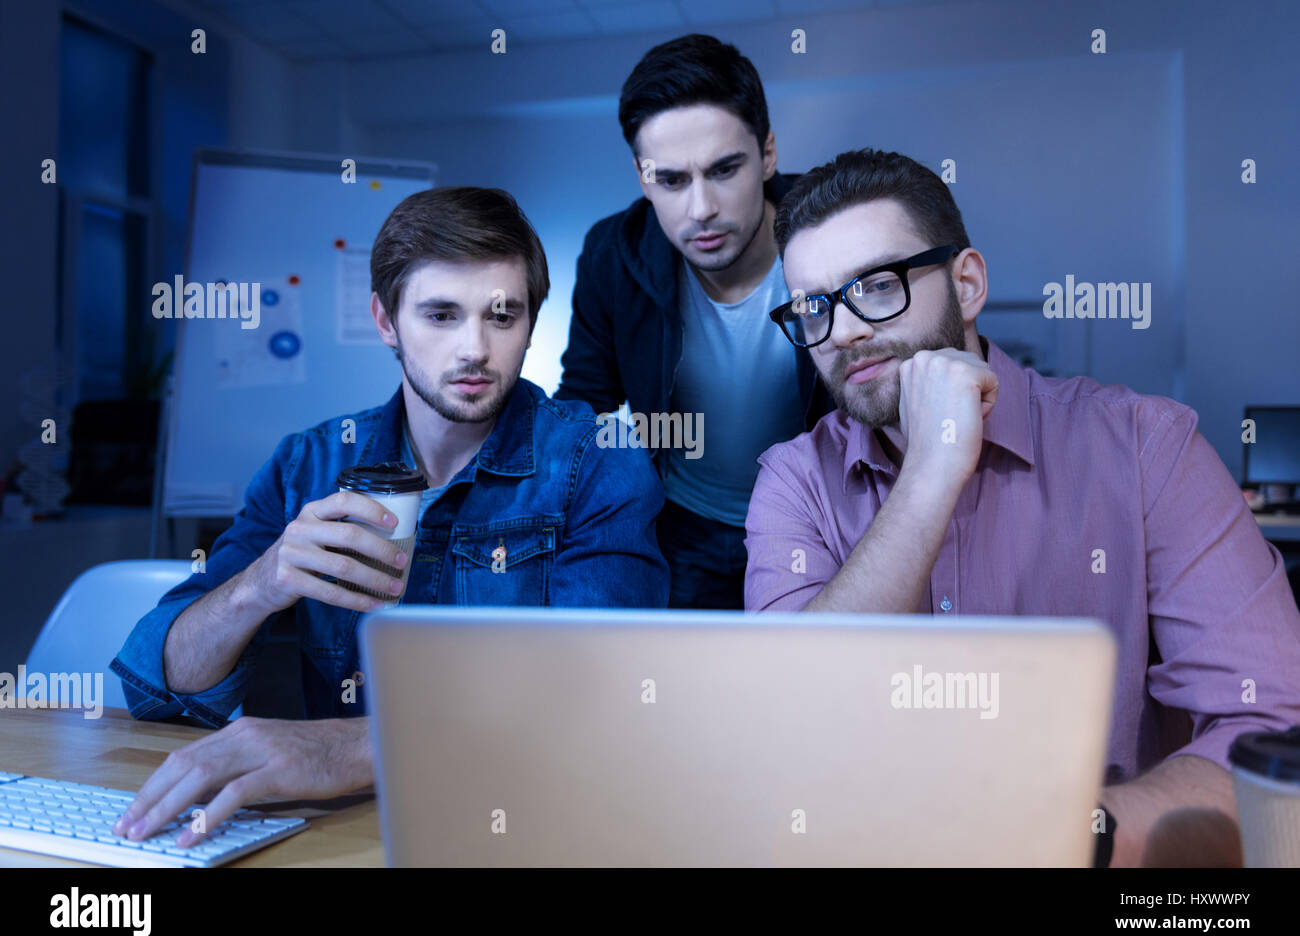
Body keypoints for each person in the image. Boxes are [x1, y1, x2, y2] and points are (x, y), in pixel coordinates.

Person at [745, 147, 1300, 866]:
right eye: (814, 307)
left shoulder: (1147, 446)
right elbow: (789, 733)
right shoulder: (793, 480)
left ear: (966, 283)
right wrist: (931, 470)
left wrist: (1067, 838)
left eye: (876, 287)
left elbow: (1273, 729)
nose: (842, 331)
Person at [110, 186, 668, 846]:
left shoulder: (596, 461)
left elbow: (605, 699)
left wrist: (344, 751)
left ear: (529, 322)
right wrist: (260, 584)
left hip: (530, 828)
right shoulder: (306, 466)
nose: (474, 349)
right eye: (440, 315)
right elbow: (155, 685)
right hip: (346, 836)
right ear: (385, 319)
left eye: (502, 316)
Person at [554, 33, 833, 609]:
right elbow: (585, 403)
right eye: (671, 180)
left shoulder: (835, 231)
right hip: (683, 525)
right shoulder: (613, 252)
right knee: (685, 691)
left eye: (724, 169)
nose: (701, 208)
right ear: (641, 176)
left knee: (814, 689)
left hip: (823, 520)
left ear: (769, 154)